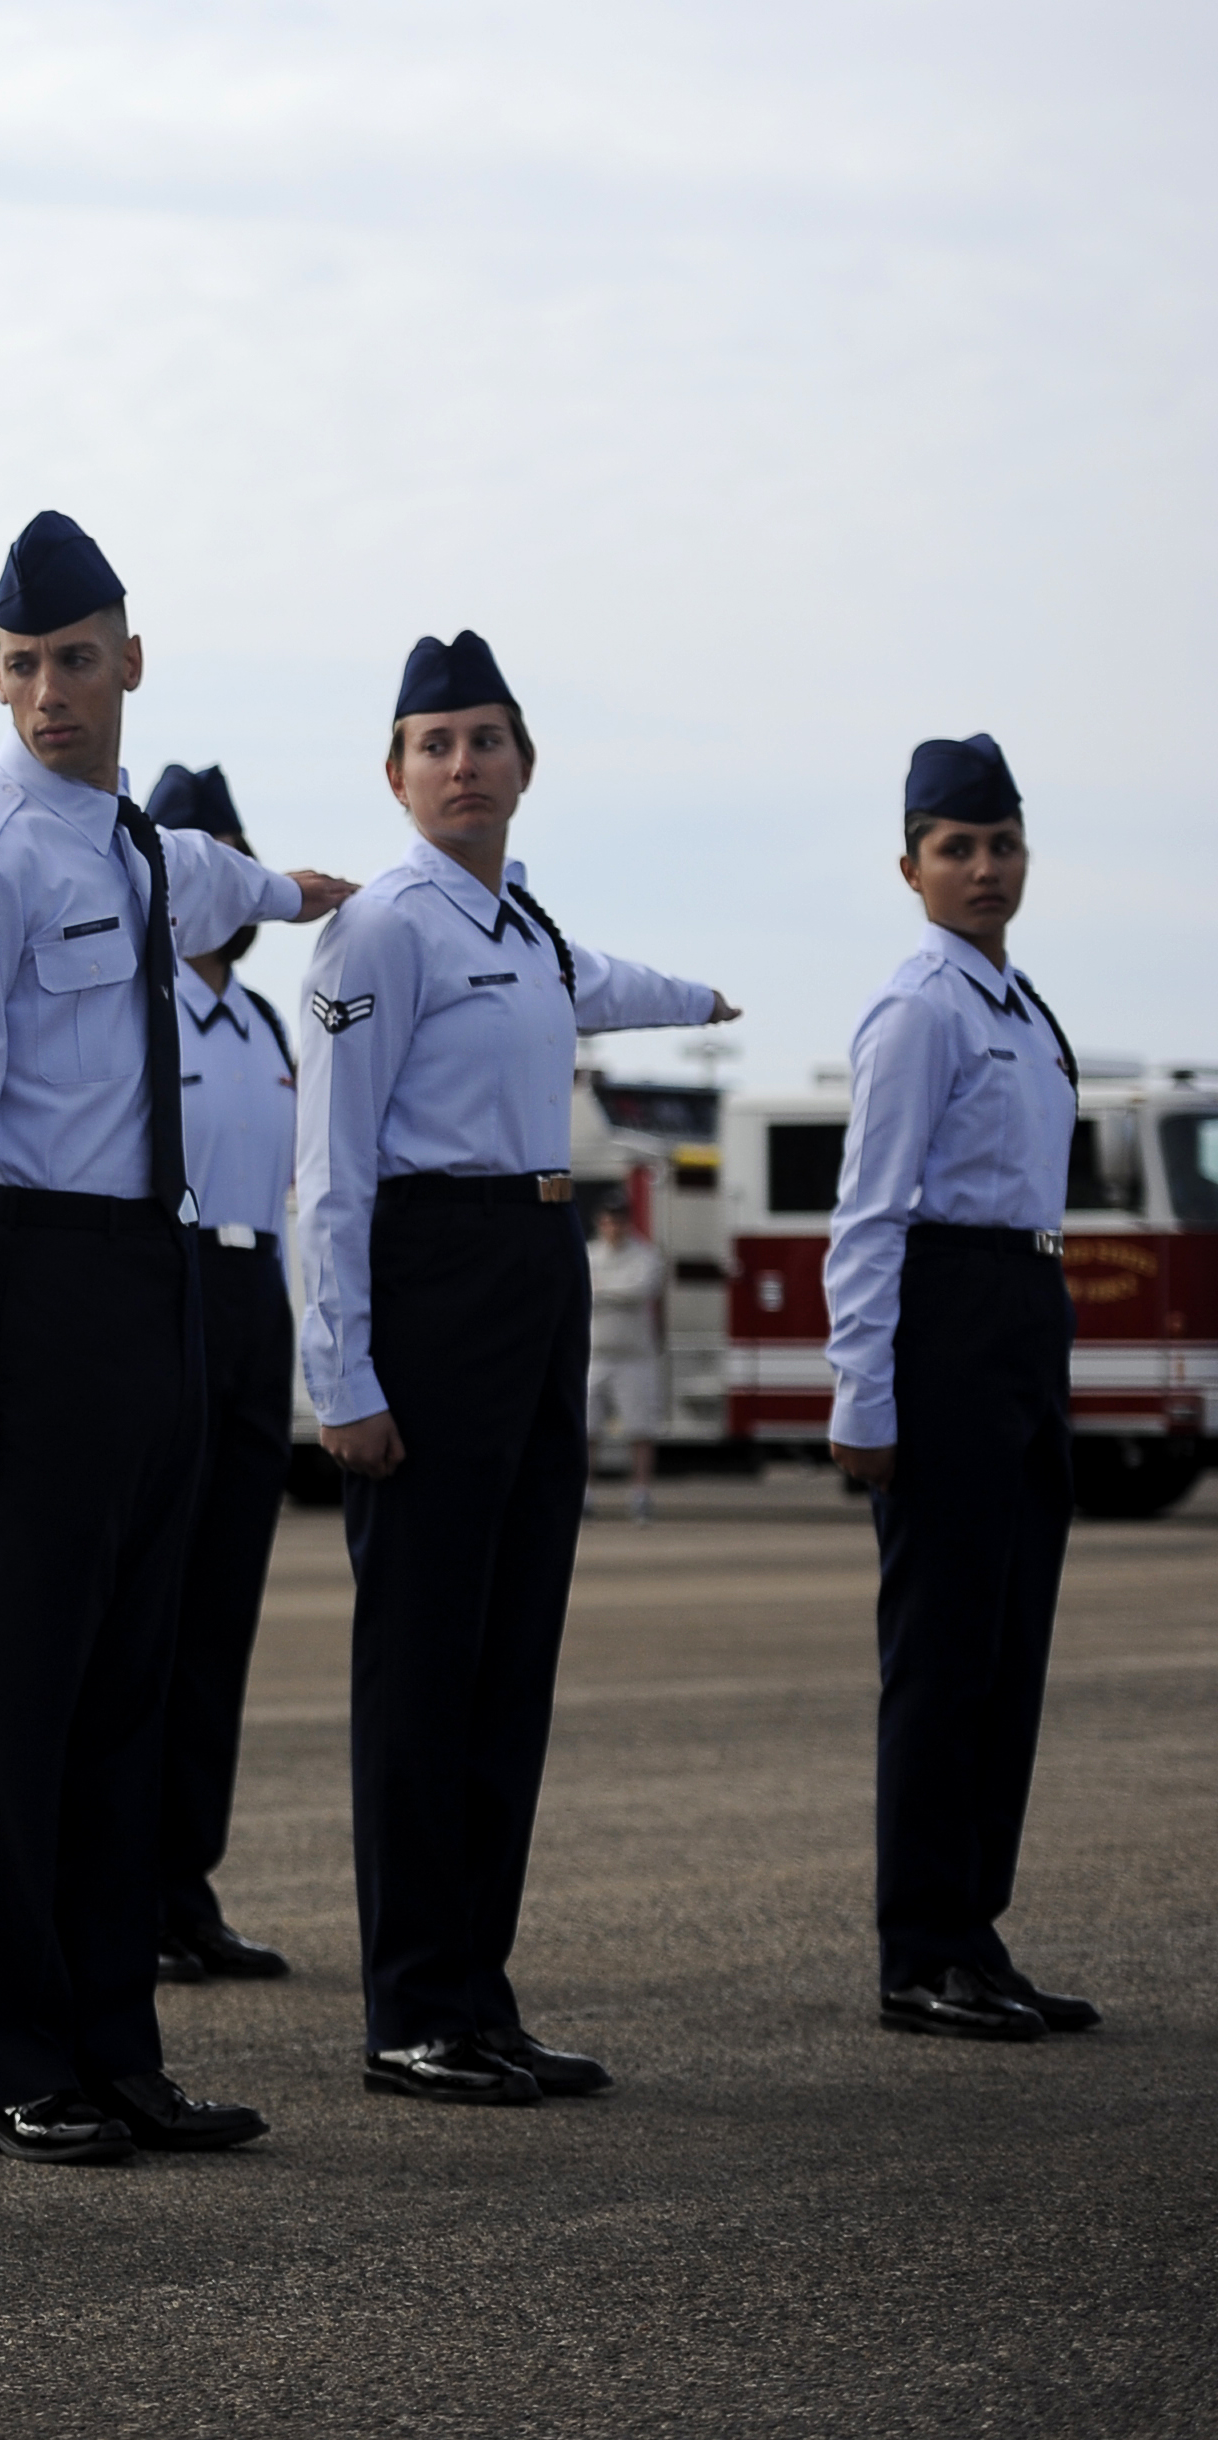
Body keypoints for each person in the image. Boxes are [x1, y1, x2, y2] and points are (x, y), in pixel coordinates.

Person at [0, 518, 346, 2168]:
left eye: (75, 659)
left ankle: (115, 2045)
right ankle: (16, 2059)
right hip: (32, 1278)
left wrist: (303, 891)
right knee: (19, 1699)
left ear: (128, 660)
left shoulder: (139, 850)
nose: (48, 692)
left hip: (151, 1281)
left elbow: (228, 882)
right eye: (19, 666)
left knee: (124, 1691)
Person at [297, 630, 736, 2106]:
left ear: (525, 765)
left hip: (536, 1275)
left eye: (486, 739)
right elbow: (331, 1166)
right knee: (425, 1660)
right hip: (431, 1278)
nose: (462, 765)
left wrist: (706, 999)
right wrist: (341, 1379)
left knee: (510, 1654)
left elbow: (598, 982)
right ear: (396, 771)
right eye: (435, 743)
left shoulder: (523, 928)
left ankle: (479, 1993)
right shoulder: (381, 929)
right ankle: (412, 2006)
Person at [825, 736, 1099, 2044]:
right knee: (941, 1655)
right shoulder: (919, 1009)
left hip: (1022, 1317)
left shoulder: (1021, 1009)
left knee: (1009, 1645)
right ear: (911, 865)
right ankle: (919, 1947)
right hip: (943, 1318)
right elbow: (868, 1218)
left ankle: (975, 1931)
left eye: (1001, 846)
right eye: (957, 849)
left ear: (1026, 855)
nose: (983, 869)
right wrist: (861, 1402)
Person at [137, 760, 306, 1988]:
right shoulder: (138, 1003)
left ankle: (185, 1883)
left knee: (221, 1613)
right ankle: (122, 1888)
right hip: (169, 1281)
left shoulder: (258, 1024)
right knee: (147, 1605)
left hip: (254, 1302)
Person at [583, 1202, 666, 1525]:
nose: (613, 1227)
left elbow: (642, 1289)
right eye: (607, 1221)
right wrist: (609, 1293)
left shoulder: (645, 1255)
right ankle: (585, 1495)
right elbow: (580, 1291)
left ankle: (641, 1494)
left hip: (635, 1357)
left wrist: (602, 1291)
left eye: (618, 1221)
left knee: (640, 1430)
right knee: (587, 1431)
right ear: (600, 1223)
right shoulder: (589, 1254)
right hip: (595, 1356)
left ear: (627, 1223)